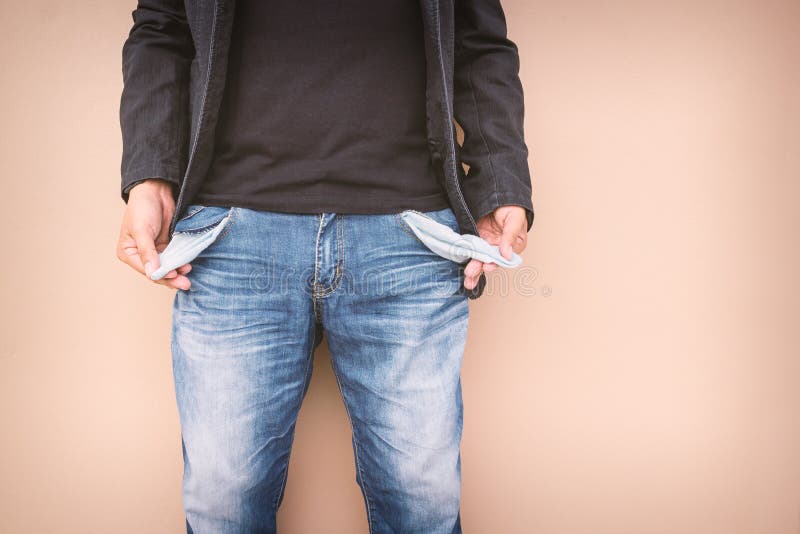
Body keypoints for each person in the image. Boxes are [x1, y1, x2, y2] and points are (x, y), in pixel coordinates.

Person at [115, 1, 534, 532]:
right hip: (232, 236)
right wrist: (149, 175)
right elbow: (163, 29)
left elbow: (478, 43)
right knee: (223, 499)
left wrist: (500, 183)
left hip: (409, 237)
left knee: (423, 499)